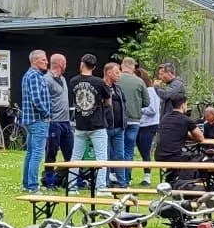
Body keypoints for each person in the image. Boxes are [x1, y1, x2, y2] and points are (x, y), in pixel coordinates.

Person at [67, 54, 108, 190]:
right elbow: (108, 101)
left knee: (76, 157)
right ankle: (100, 186)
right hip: (97, 125)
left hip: (80, 125)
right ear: (94, 67)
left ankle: (72, 186)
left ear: (82, 64)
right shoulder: (99, 82)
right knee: (101, 157)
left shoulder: (73, 81)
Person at [18, 48, 53, 192]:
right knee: (38, 153)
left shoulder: (31, 75)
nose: (46, 62)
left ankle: (27, 183)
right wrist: (46, 113)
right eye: (43, 59)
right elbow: (36, 99)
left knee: (31, 152)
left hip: (31, 119)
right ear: (35, 61)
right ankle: (32, 185)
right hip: (37, 119)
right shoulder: (34, 76)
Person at [155, 90, 207, 186]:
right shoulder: (186, 120)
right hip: (174, 157)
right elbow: (201, 138)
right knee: (198, 157)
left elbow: (172, 133)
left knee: (185, 155)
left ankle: (171, 179)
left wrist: (184, 134)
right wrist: (190, 136)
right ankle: (185, 182)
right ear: (183, 105)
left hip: (159, 156)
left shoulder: (165, 118)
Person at [116, 56, 150, 183]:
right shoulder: (139, 81)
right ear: (133, 67)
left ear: (122, 65)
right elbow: (147, 102)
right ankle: (127, 177)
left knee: (117, 149)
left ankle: (116, 176)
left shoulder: (116, 79)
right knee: (129, 149)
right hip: (134, 120)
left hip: (118, 120)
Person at [43, 52, 72, 189]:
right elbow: (44, 100)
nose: (66, 65)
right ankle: (48, 180)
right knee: (51, 152)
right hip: (54, 122)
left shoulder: (63, 79)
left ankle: (70, 179)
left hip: (66, 121)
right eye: (65, 63)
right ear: (60, 64)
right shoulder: (47, 80)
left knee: (70, 152)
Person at [134, 64, 161, 177]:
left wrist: (138, 108)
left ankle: (147, 176)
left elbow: (152, 109)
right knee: (140, 149)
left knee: (145, 150)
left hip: (149, 125)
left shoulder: (150, 91)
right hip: (141, 124)